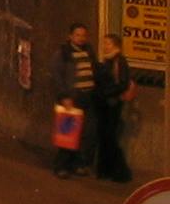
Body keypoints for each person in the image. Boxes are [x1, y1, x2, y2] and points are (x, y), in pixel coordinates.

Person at [52, 23, 98, 176]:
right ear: (70, 36)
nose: (81, 38)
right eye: (77, 35)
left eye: (83, 35)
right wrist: (64, 96)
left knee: (86, 133)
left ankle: (79, 164)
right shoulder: (63, 53)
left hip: (88, 96)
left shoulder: (89, 51)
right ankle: (62, 166)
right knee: (68, 133)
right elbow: (57, 77)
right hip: (72, 97)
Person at [93, 31, 134, 184]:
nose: (104, 46)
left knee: (110, 137)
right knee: (104, 137)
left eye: (108, 43)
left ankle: (121, 172)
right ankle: (105, 171)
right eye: (104, 43)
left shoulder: (119, 62)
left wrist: (105, 93)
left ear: (116, 46)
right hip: (103, 103)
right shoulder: (106, 61)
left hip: (112, 103)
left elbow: (122, 83)